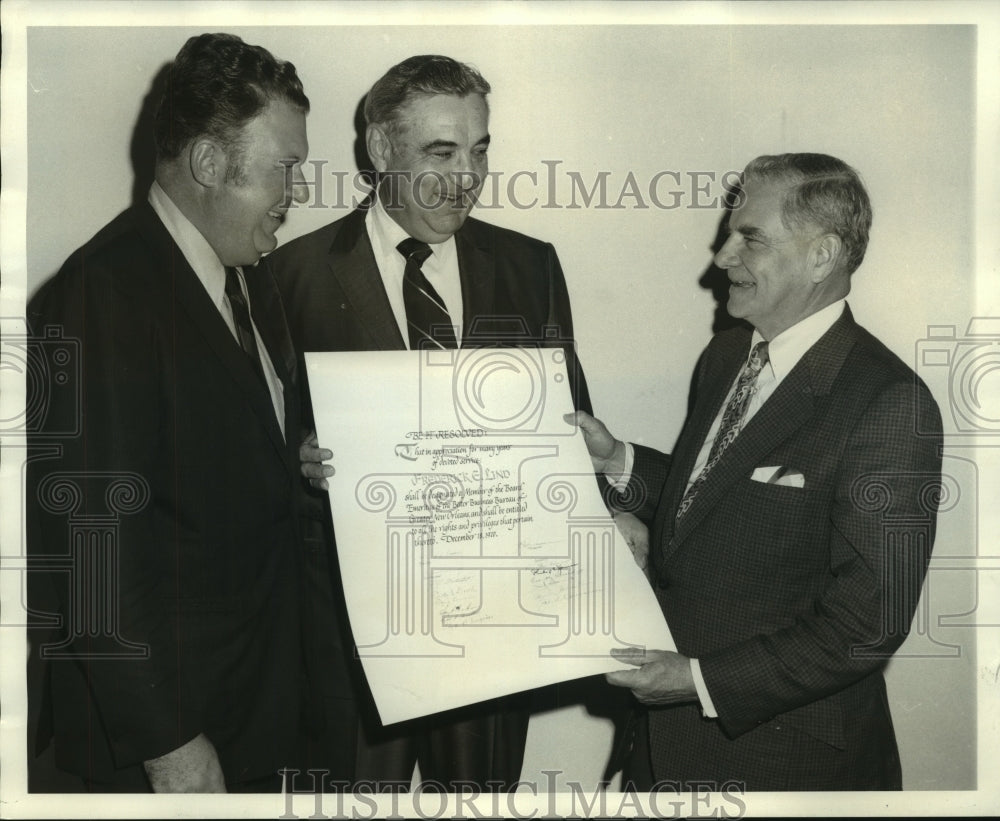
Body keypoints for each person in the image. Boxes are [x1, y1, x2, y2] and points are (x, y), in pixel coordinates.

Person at [267, 54, 594, 792]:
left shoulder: (530, 266)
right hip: (353, 638)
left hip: (491, 630)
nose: (468, 176)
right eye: (441, 153)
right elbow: (255, 448)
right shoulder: (290, 276)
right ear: (381, 150)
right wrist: (298, 460)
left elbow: (572, 425)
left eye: (479, 150)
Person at [571, 153, 944, 791]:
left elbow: (866, 625)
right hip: (662, 748)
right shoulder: (726, 356)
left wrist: (694, 681)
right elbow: (716, 503)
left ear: (823, 256)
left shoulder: (888, 404)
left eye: (750, 238)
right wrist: (618, 461)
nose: (721, 257)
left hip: (782, 764)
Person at [26, 32, 311, 793]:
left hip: (251, 709)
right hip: (167, 743)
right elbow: (92, 549)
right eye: (285, 168)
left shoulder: (248, 274)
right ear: (210, 164)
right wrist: (172, 746)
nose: (297, 192)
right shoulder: (103, 292)